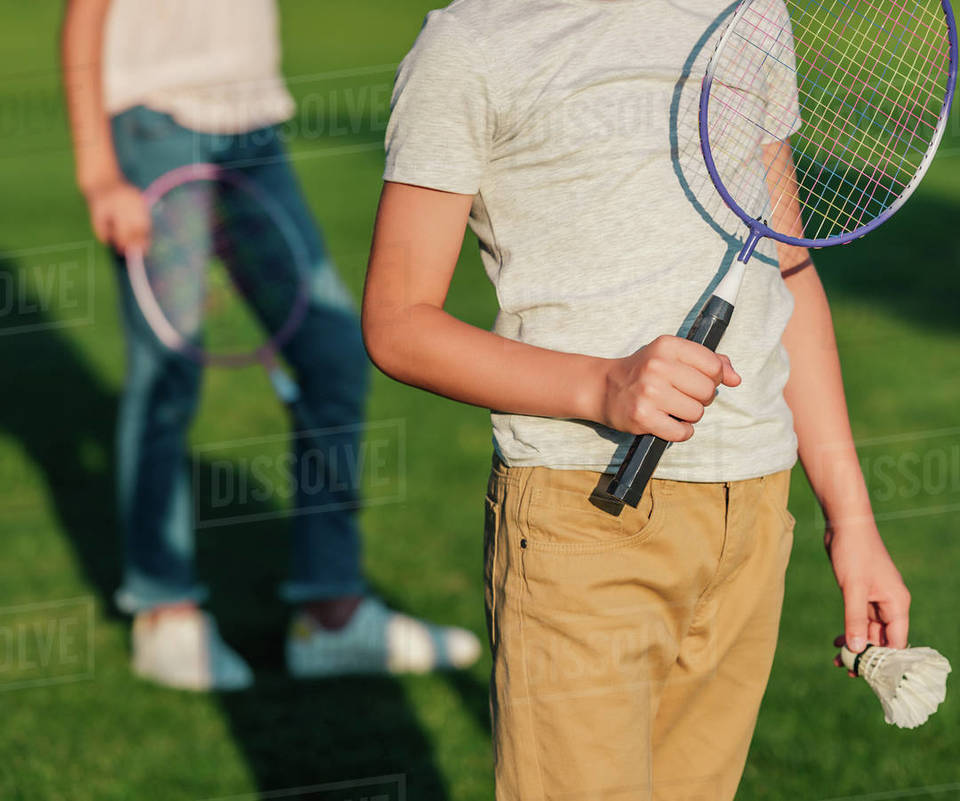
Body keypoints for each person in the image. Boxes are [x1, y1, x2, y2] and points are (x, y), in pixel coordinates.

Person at [364, 0, 911, 797]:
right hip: (583, 514)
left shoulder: (753, 13)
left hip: (752, 515)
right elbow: (397, 322)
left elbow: (788, 274)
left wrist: (853, 521)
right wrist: (603, 384)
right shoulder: (473, 41)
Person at [60, 0, 480, 691]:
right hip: (151, 123)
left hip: (251, 128)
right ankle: (164, 610)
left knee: (333, 348)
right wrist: (97, 169)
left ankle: (331, 614)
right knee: (170, 370)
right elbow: (85, 12)